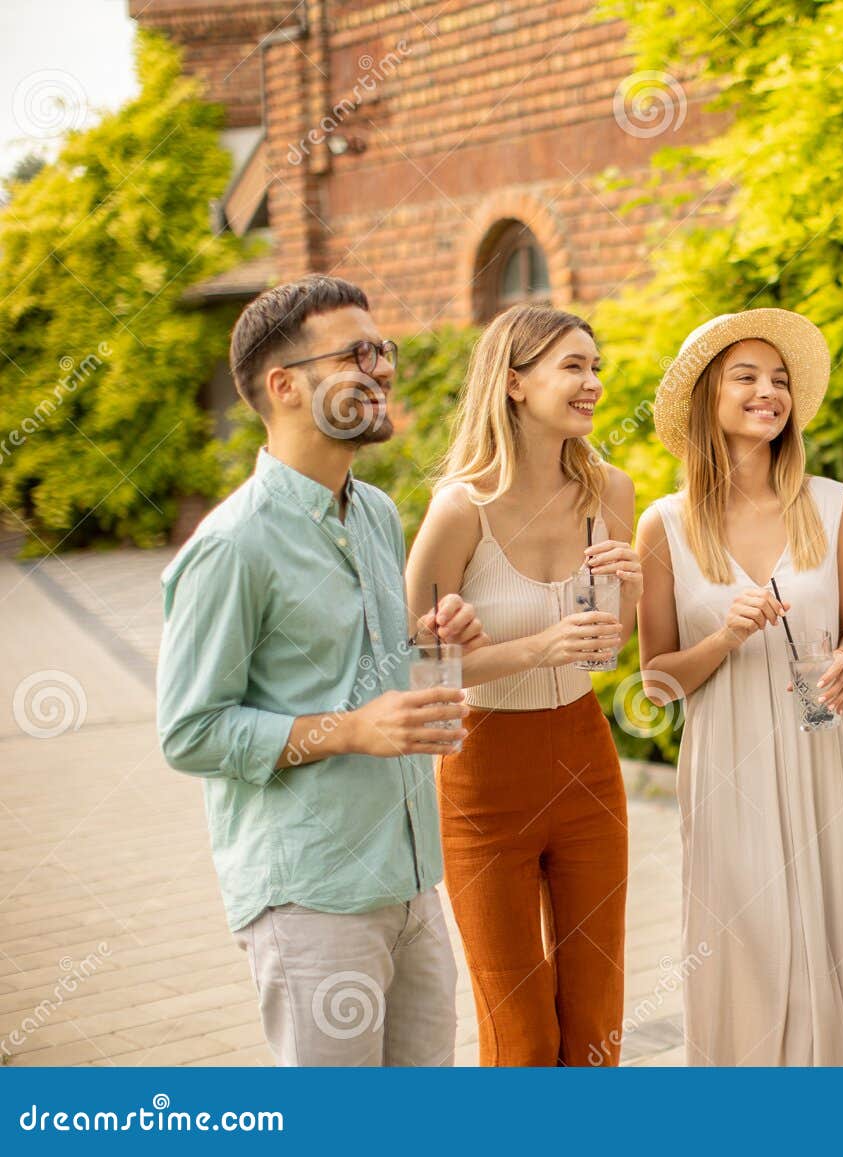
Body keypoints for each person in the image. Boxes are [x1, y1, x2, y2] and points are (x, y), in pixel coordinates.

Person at [157, 275, 486, 1066]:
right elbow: (189, 730)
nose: (381, 369)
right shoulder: (231, 546)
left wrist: (432, 640)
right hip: (312, 896)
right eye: (356, 353)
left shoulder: (372, 510)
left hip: (412, 878)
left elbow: (370, 668)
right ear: (285, 386)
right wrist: (353, 730)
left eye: (383, 350)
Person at [635, 309, 843, 1065]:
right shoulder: (666, 526)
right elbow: (655, 683)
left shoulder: (833, 504)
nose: (767, 392)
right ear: (710, 395)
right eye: (746, 377)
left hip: (826, 756)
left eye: (778, 380)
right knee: (742, 954)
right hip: (728, 770)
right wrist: (725, 637)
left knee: (824, 964)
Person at [405, 306, 640, 1066]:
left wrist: (629, 588)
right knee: (521, 1027)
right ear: (513, 383)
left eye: (595, 366)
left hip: (585, 756)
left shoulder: (612, 492)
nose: (593, 382)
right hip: (484, 774)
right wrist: (536, 646)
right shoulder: (459, 508)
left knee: (595, 1012)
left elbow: (609, 644)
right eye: (573, 365)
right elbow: (417, 668)